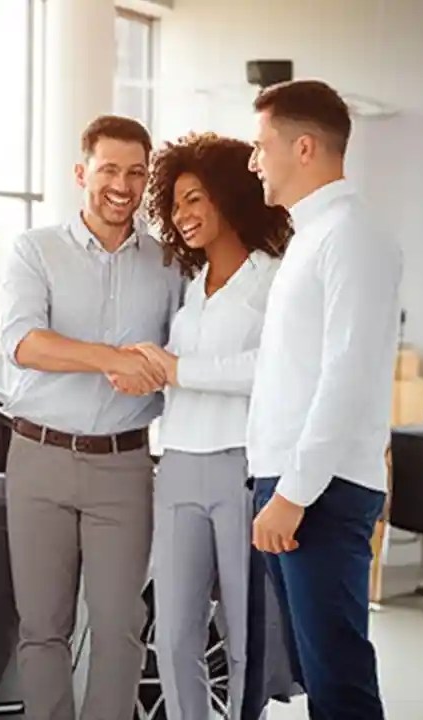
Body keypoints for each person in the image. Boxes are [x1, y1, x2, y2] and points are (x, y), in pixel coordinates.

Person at [0, 114, 183, 720]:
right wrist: (111, 360)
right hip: (40, 460)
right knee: (43, 627)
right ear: (82, 173)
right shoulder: (36, 250)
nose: (122, 185)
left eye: (136, 172)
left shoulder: (168, 264)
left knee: (119, 627)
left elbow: (183, 357)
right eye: (109, 169)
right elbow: (24, 343)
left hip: (124, 465)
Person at [245, 79, 402, 719]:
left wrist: (292, 495)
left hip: (318, 493)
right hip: (295, 484)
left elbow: (348, 377)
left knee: (338, 680)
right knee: (318, 671)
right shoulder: (310, 237)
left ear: (303, 147)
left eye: (262, 146)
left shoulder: (351, 237)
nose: (255, 161)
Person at [128, 132, 291, 720]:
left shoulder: (275, 279)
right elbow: (181, 374)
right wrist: (149, 373)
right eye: (175, 205)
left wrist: (180, 369)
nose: (183, 215)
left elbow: (273, 370)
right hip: (177, 468)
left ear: (229, 196)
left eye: (195, 199)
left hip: (239, 469)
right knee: (173, 633)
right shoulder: (192, 289)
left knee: (245, 631)